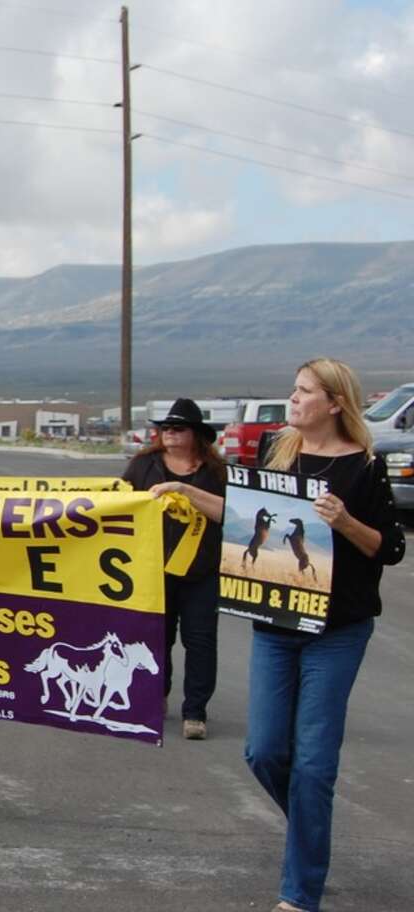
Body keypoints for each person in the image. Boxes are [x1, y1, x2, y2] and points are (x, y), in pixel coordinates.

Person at [246, 358, 404, 912]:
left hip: (338, 630)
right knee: (264, 751)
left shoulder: (363, 466)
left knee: (314, 765)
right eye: (292, 389)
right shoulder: (274, 450)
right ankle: (309, 833)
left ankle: (299, 893)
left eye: (304, 392)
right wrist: (191, 496)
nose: (292, 399)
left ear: (335, 403)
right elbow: (247, 518)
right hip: (276, 622)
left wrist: (345, 522)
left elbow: (390, 547)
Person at [121, 397, 226, 740]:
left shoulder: (215, 472)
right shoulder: (143, 466)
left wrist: (183, 490)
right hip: (153, 570)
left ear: (196, 434)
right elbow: (119, 504)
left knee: (200, 641)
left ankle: (195, 710)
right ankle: (156, 696)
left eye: (177, 428)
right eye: (164, 428)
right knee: (155, 637)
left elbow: (230, 514)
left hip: (202, 572)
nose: (169, 433)